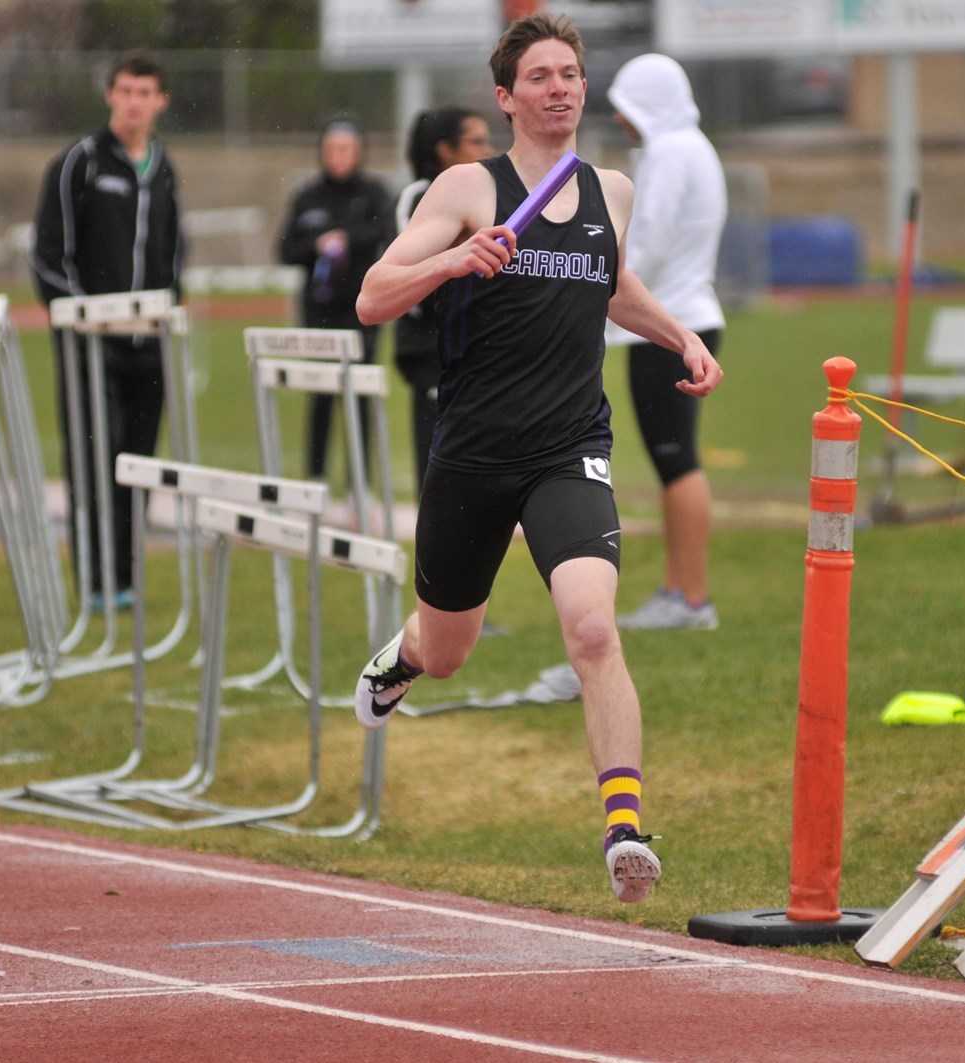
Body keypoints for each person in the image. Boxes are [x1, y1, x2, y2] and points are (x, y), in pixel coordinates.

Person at [352, 13, 723, 903]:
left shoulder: (611, 190)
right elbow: (372, 297)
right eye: (540, 77)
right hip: (474, 453)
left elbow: (613, 284)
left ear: (584, 89)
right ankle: (400, 657)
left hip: (569, 448)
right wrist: (454, 262)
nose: (558, 88)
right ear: (506, 96)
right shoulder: (467, 189)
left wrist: (678, 337)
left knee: (593, 628)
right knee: (448, 651)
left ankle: (624, 828)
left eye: (570, 74)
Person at [31, 50, 184, 613]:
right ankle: (93, 580)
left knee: (138, 464)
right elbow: (49, 259)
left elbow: (173, 256)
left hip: (150, 342)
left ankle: (126, 576)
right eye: (125, 90)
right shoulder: (79, 163)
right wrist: (85, 315)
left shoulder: (164, 166)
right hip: (90, 344)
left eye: (145, 92)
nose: (134, 102)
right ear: (110, 95)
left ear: (160, 101)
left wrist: (170, 314)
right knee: (91, 460)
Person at [604, 53, 727, 632]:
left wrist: (601, 284)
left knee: (678, 462)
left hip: (669, 326)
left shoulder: (670, 153)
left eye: (627, 108)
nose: (620, 120)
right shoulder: (691, 146)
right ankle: (678, 591)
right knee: (671, 461)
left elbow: (644, 244)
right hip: (686, 318)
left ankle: (692, 598)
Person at [277, 117, 395, 482]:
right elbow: (285, 249)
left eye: (346, 149)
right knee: (321, 396)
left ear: (359, 152)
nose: (338, 156)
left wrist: (348, 239)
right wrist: (317, 245)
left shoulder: (374, 193)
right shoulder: (307, 196)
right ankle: (315, 480)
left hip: (363, 313)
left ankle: (359, 485)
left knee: (359, 400)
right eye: (332, 149)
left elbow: (385, 235)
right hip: (319, 314)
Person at [393, 106, 494, 495]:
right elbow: (414, 275)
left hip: (478, 348)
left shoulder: (488, 194)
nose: (489, 149)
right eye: (478, 141)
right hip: (433, 350)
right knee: (437, 464)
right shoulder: (419, 197)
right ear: (445, 151)